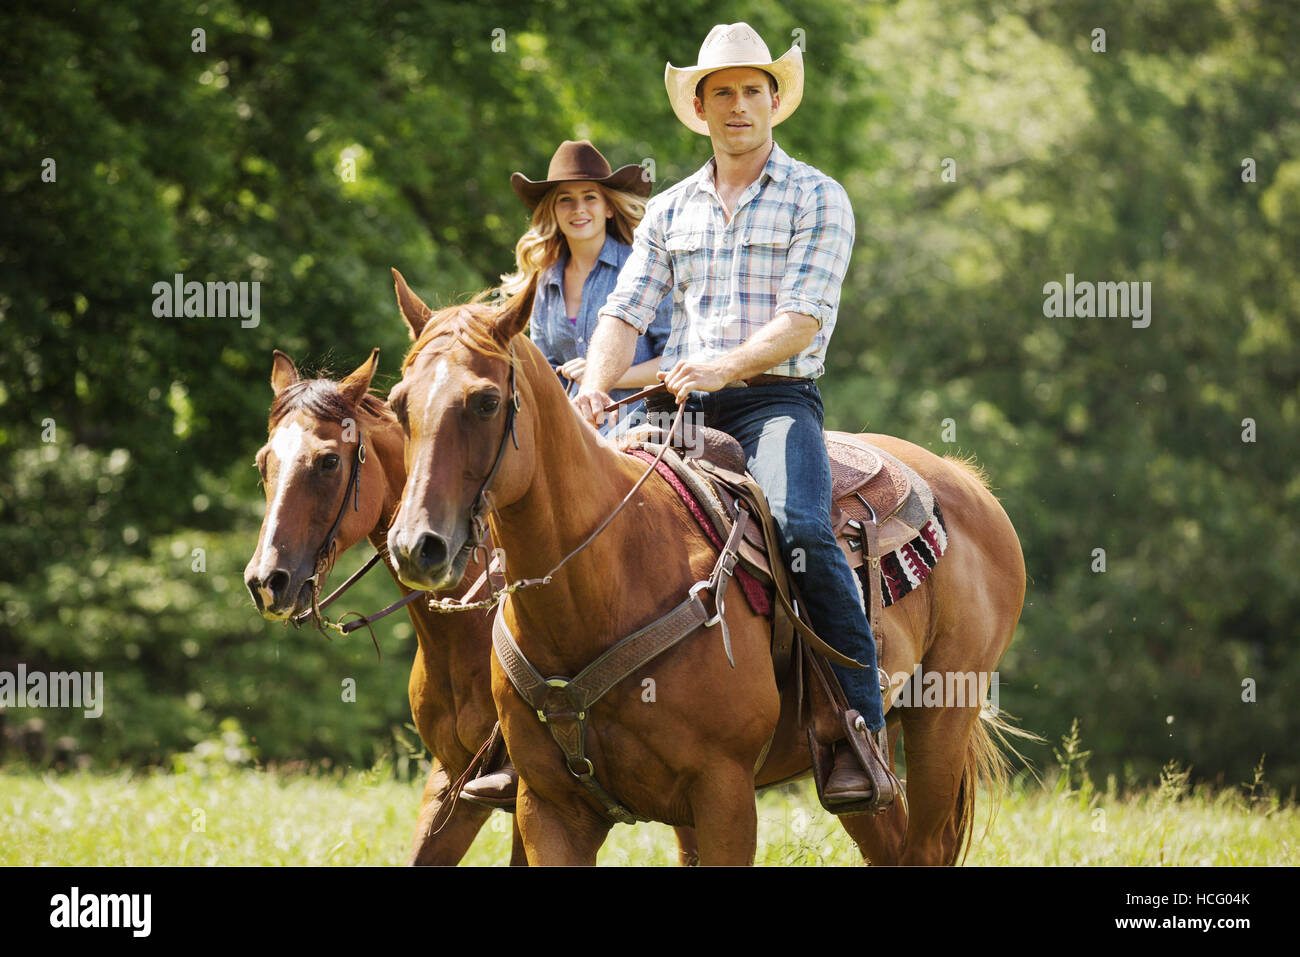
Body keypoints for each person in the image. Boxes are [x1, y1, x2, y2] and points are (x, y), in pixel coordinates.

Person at [573, 23, 897, 810]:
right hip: (676, 405)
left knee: (802, 527)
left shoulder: (819, 196)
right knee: (574, 511)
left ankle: (859, 728)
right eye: (723, 91)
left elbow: (803, 318)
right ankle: (532, 722)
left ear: (775, 100)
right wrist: (595, 385)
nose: (740, 105)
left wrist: (723, 363)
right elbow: (623, 310)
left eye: (754, 89)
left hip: (773, 402)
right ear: (701, 106)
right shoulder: (671, 210)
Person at [502, 139, 672, 436]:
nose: (578, 208)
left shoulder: (644, 267)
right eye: (565, 199)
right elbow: (544, 373)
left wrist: (599, 379)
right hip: (574, 437)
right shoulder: (544, 282)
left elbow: (675, 360)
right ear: (553, 211)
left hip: (647, 428)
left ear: (608, 207)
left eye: (590, 197)